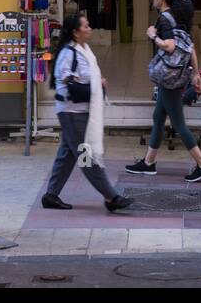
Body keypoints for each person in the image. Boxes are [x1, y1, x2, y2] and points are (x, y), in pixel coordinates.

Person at [42, 12, 133, 213]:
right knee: (86, 155)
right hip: (72, 112)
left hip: (80, 111)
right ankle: (111, 197)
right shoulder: (69, 53)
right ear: (75, 32)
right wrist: (94, 85)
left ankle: (51, 195)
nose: (89, 29)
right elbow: (67, 82)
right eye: (86, 26)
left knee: (67, 154)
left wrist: (96, 83)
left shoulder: (83, 49)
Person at [126, 0, 201, 181]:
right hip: (176, 75)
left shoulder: (164, 20)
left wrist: (152, 36)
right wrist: (196, 73)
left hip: (169, 78)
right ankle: (148, 163)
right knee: (158, 117)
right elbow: (189, 46)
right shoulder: (177, 16)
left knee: (178, 123)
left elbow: (171, 46)